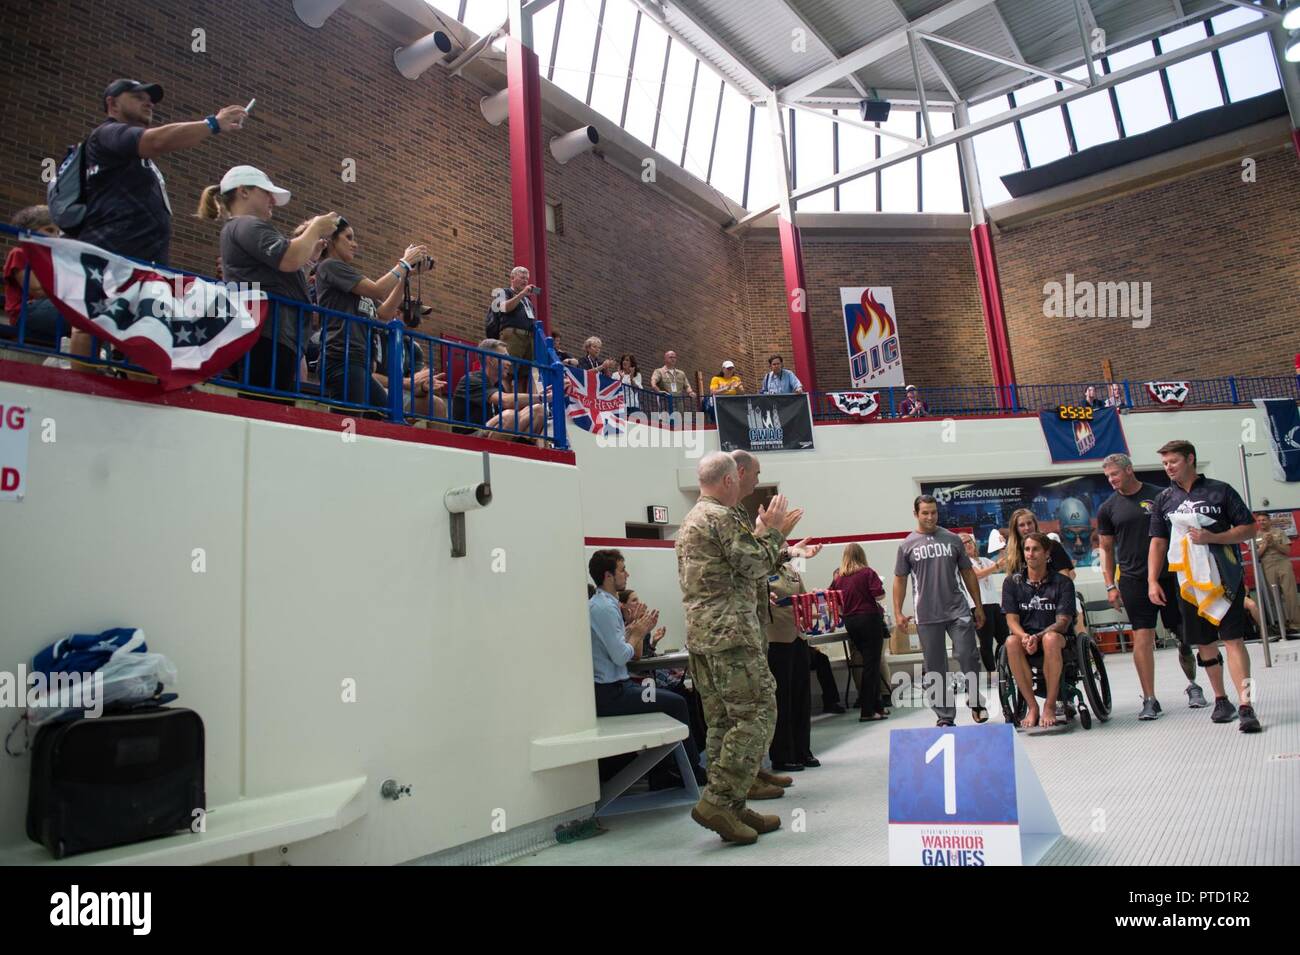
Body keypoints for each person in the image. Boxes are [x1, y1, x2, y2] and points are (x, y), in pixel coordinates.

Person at [676, 452, 793, 845]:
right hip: (731, 638)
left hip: (705, 638)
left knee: (724, 723)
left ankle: (734, 806)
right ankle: (719, 801)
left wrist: (763, 534)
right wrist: (774, 531)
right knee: (758, 713)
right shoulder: (722, 518)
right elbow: (757, 564)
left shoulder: (693, 518)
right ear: (729, 480)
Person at [1148, 440, 1261, 733]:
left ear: (1190, 459)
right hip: (1188, 582)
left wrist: (1213, 537)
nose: (1168, 467)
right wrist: (1151, 580)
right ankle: (1221, 700)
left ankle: (1247, 704)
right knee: (1204, 642)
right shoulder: (1164, 500)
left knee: (1234, 640)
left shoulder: (1219, 490)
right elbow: (1158, 541)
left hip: (1225, 576)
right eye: (1164, 463)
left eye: (1173, 461)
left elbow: (1249, 528)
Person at [78, 80, 248, 266]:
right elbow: (157, 141)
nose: (149, 103)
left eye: (150, 100)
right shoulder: (107, 133)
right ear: (112, 104)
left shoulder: (130, 154)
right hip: (112, 263)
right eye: (138, 97)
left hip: (137, 265)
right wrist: (213, 124)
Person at [197, 166, 337, 391]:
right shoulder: (247, 224)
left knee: (268, 406)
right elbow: (289, 258)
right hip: (267, 336)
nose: (272, 199)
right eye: (266, 192)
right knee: (267, 405)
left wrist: (308, 258)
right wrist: (315, 227)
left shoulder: (240, 227)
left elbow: (279, 271)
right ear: (244, 192)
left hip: (270, 334)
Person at [1097, 453, 1206, 719]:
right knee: (1142, 636)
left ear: (1130, 470)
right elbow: (1106, 548)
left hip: (1170, 577)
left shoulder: (1162, 496)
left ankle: (1193, 685)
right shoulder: (1108, 508)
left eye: (1115, 474)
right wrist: (1110, 585)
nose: (1112, 480)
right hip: (1133, 579)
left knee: (1184, 635)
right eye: (1108, 476)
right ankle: (1149, 699)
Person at [588, 550, 706, 788]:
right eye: (622, 570)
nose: (627, 574)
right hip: (612, 693)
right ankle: (690, 771)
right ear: (608, 575)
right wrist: (638, 633)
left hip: (621, 687)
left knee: (674, 697)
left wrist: (633, 628)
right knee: (676, 702)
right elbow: (621, 656)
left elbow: (626, 649)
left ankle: (666, 771)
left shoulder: (607, 605)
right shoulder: (603, 608)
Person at [314, 217, 431, 409]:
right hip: (342, 356)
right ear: (332, 240)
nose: (355, 244)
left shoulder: (350, 277)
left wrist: (405, 276)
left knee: (384, 414)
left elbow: (385, 313)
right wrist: (404, 263)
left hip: (359, 360)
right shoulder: (330, 266)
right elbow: (378, 290)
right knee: (350, 423)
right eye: (348, 238)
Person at [892, 495, 987, 727]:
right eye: (925, 513)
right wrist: (898, 612)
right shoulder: (907, 545)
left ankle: (975, 700)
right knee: (935, 667)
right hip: (926, 614)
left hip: (958, 610)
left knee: (968, 655)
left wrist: (979, 605)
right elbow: (900, 580)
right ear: (916, 514)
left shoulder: (953, 539)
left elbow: (967, 573)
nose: (930, 517)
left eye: (934, 512)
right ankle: (945, 716)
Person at [1003, 533, 1077, 728]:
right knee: (1011, 642)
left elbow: (1063, 622)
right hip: (1026, 638)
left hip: (1058, 638)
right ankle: (1033, 706)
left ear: (1046, 553)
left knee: (1050, 639)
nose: (1030, 554)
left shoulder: (1063, 582)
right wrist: (1025, 636)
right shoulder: (1012, 582)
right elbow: (1011, 619)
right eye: (1027, 549)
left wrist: (1038, 636)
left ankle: (1050, 705)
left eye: (1035, 549)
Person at [3, 206, 95, 357]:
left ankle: (100, 356)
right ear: (30, 231)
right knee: (87, 307)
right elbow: (37, 290)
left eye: (58, 232)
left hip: (52, 308)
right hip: (27, 313)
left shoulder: (54, 260)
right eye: (49, 230)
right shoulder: (19, 253)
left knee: (96, 308)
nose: (56, 237)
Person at [764, 556, 814, 773]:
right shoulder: (759, 569)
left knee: (802, 696)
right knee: (781, 699)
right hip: (775, 639)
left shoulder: (790, 570)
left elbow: (803, 596)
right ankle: (783, 755)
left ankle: (803, 750)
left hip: (798, 636)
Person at [831, 544, 888, 721]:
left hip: (850, 621)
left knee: (867, 664)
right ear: (861, 555)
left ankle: (878, 707)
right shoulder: (867, 573)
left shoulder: (839, 577)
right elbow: (878, 595)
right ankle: (867, 710)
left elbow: (832, 598)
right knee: (872, 665)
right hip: (869, 619)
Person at [450, 338, 547, 440]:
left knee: (538, 410)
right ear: (490, 360)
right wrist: (541, 397)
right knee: (509, 416)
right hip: (468, 438)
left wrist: (542, 398)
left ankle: (523, 450)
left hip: (489, 434)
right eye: (505, 357)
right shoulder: (471, 380)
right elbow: (505, 401)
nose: (509, 363)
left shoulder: (499, 386)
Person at [961, 533, 1006, 675]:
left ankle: (1006, 668)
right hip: (979, 606)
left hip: (994, 603)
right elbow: (977, 575)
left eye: (969, 542)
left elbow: (1004, 563)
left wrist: (1002, 547)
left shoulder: (984, 560)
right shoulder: (963, 563)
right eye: (963, 543)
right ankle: (992, 673)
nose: (967, 544)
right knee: (986, 642)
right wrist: (997, 566)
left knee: (1005, 639)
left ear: (974, 544)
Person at [1253, 512, 1300, 638]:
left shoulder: (1279, 532)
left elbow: (1287, 551)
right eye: (1259, 520)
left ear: (1269, 521)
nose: (1262, 522)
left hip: (1282, 563)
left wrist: (1274, 543)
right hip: (1267, 565)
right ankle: (1281, 625)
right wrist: (1265, 545)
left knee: (1290, 594)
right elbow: (1255, 555)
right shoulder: (1255, 536)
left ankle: (1295, 624)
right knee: (1273, 596)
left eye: (1264, 520)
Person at [489, 267, 538, 372]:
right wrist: (522, 294)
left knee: (525, 374)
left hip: (528, 338)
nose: (525, 281)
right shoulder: (503, 292)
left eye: (526, 279)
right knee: (508, 370)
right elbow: (504, 308)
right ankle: (504, 389)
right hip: (512, 335)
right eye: (522, 278)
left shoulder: (527, 300)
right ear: (512, 278)